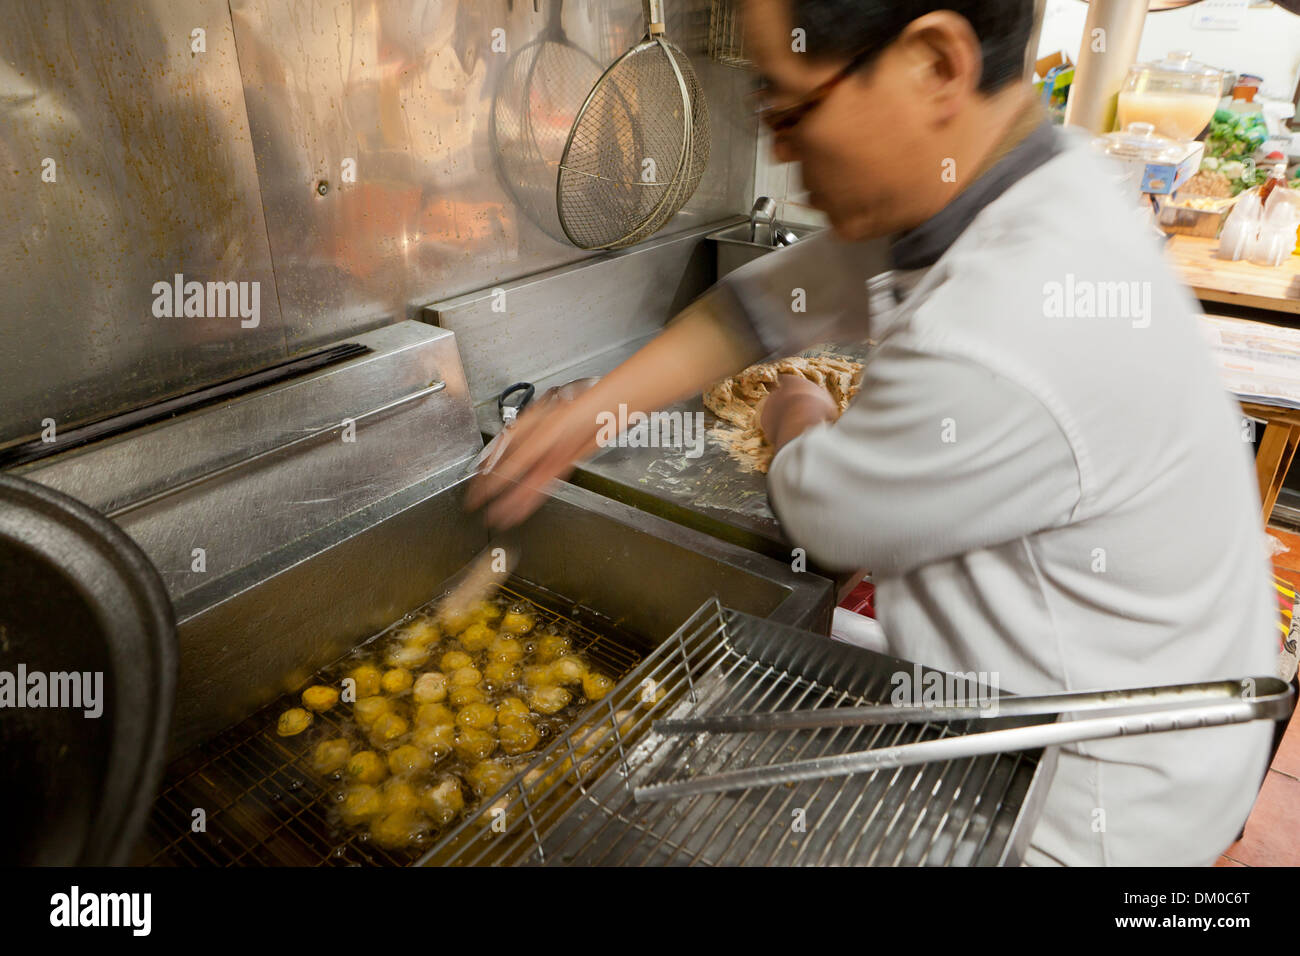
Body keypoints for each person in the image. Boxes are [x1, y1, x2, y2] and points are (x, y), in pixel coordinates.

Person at [467, 0, 1278, 866]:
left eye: (792, 107)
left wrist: (795, 408)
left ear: (934, 65)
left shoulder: (1012, 319)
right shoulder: (1017, 182)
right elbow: (762, 304)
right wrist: (597, 413)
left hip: (1089, 796)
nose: (780, 148)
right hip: (1137, 707)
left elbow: (828, 509)